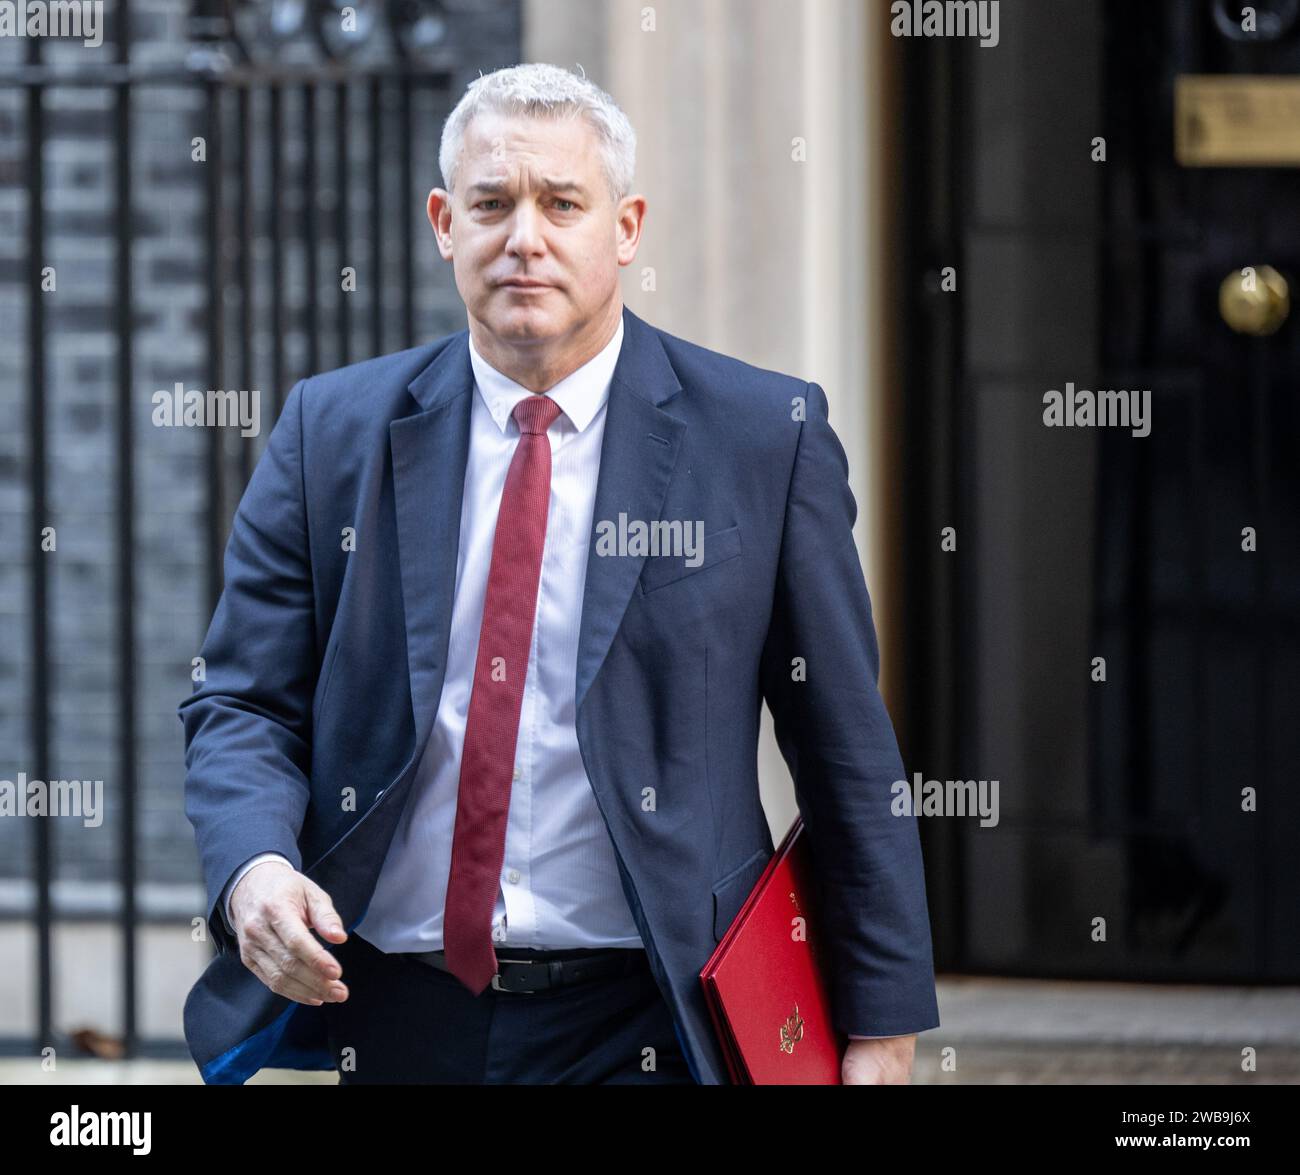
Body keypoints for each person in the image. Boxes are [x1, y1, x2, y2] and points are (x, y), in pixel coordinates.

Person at [180, 62, 939, 1085]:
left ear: (623, 228)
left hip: (653, 1011)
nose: (524, 237)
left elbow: (843, 739)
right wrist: (255, 865)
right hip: (400, 1007)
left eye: (561, 203)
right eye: (491, 203)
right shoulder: (333, 432)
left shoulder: (763, 436)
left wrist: (881, 1024)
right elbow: (241, 701)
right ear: (445, 222)